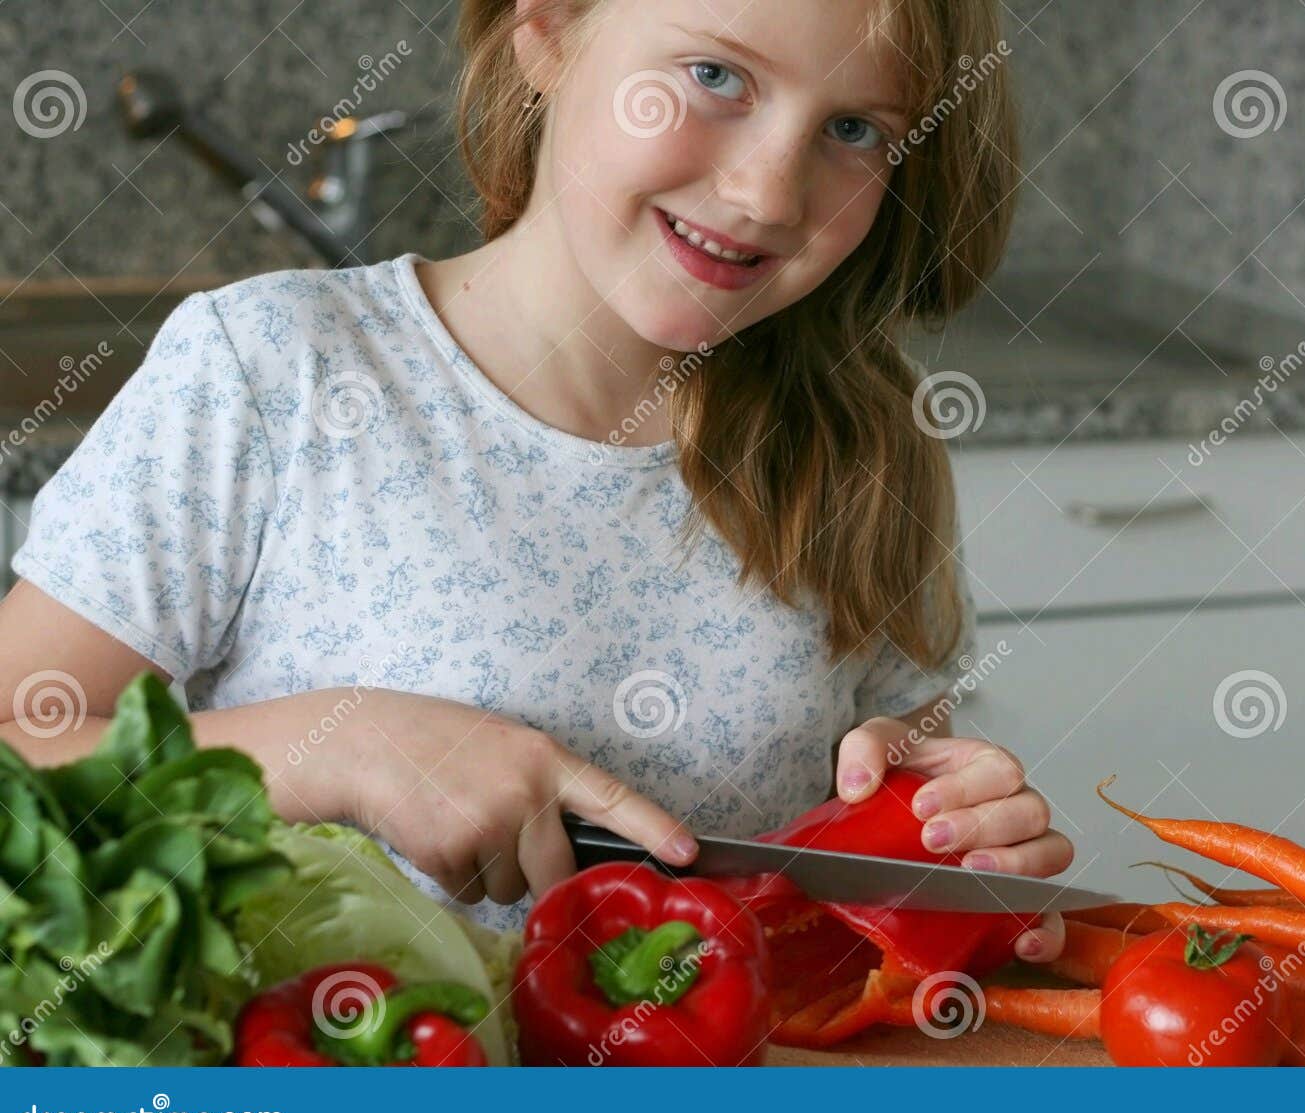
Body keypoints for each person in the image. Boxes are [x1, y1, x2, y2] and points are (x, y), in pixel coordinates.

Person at [0, 0, 1074, 959]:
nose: (765, 191)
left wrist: (955, 830)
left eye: (854, 130)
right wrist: (334, 746)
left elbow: (892, 807)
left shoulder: (863, 438)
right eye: (714, 76)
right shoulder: (272, 368)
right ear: (548, 31)